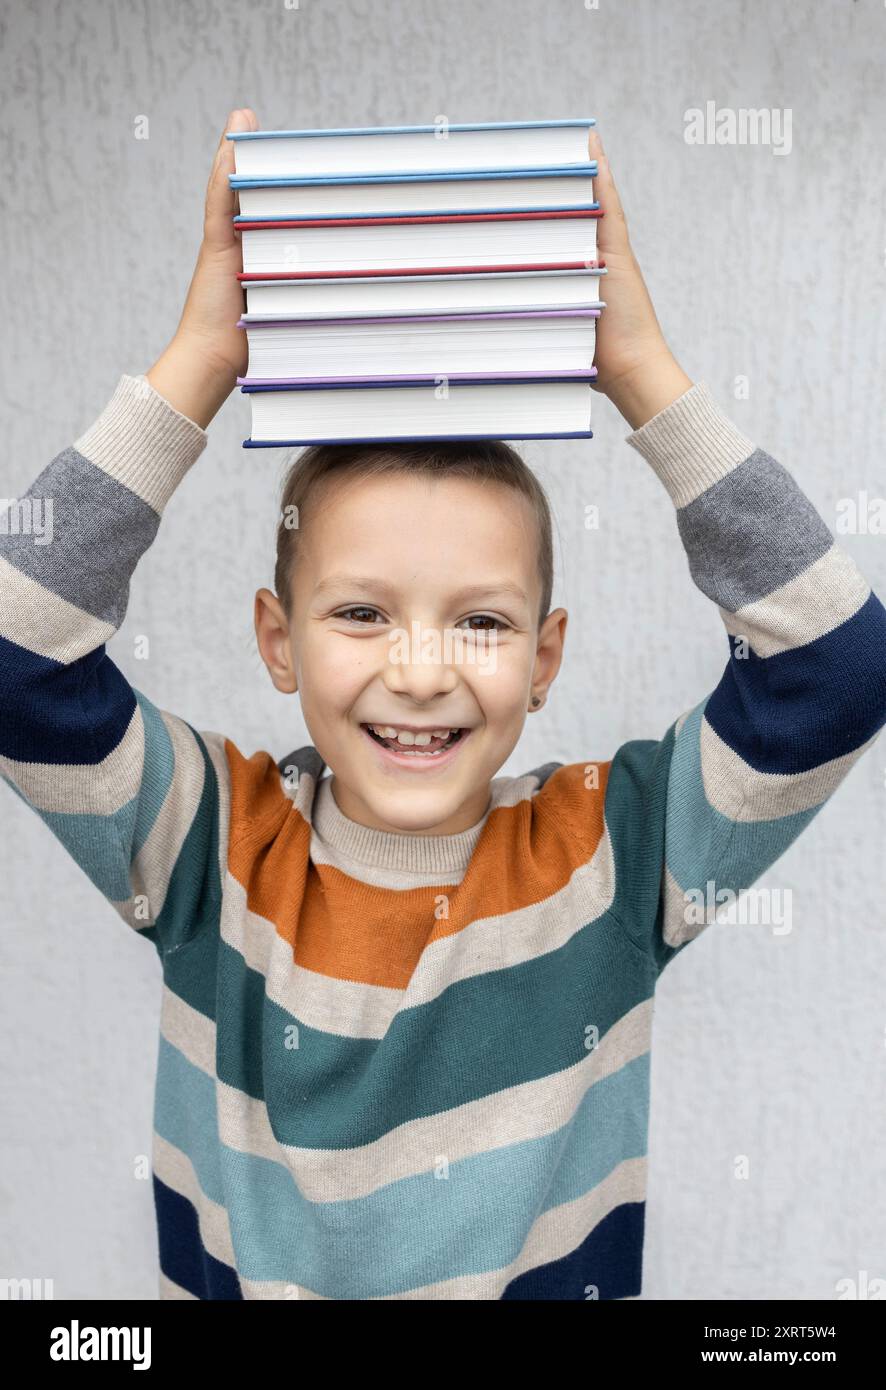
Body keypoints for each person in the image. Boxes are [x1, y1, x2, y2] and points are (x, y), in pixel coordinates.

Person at [1, 109, 884, 1301]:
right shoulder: (209, 846)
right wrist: (199, 364)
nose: (421, 670)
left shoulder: (614, 856)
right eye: (361, 613)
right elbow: (17, 653)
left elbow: (838, 664)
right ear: (278, 640)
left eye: (481, 621)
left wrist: (641, 373)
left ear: (545, 656)